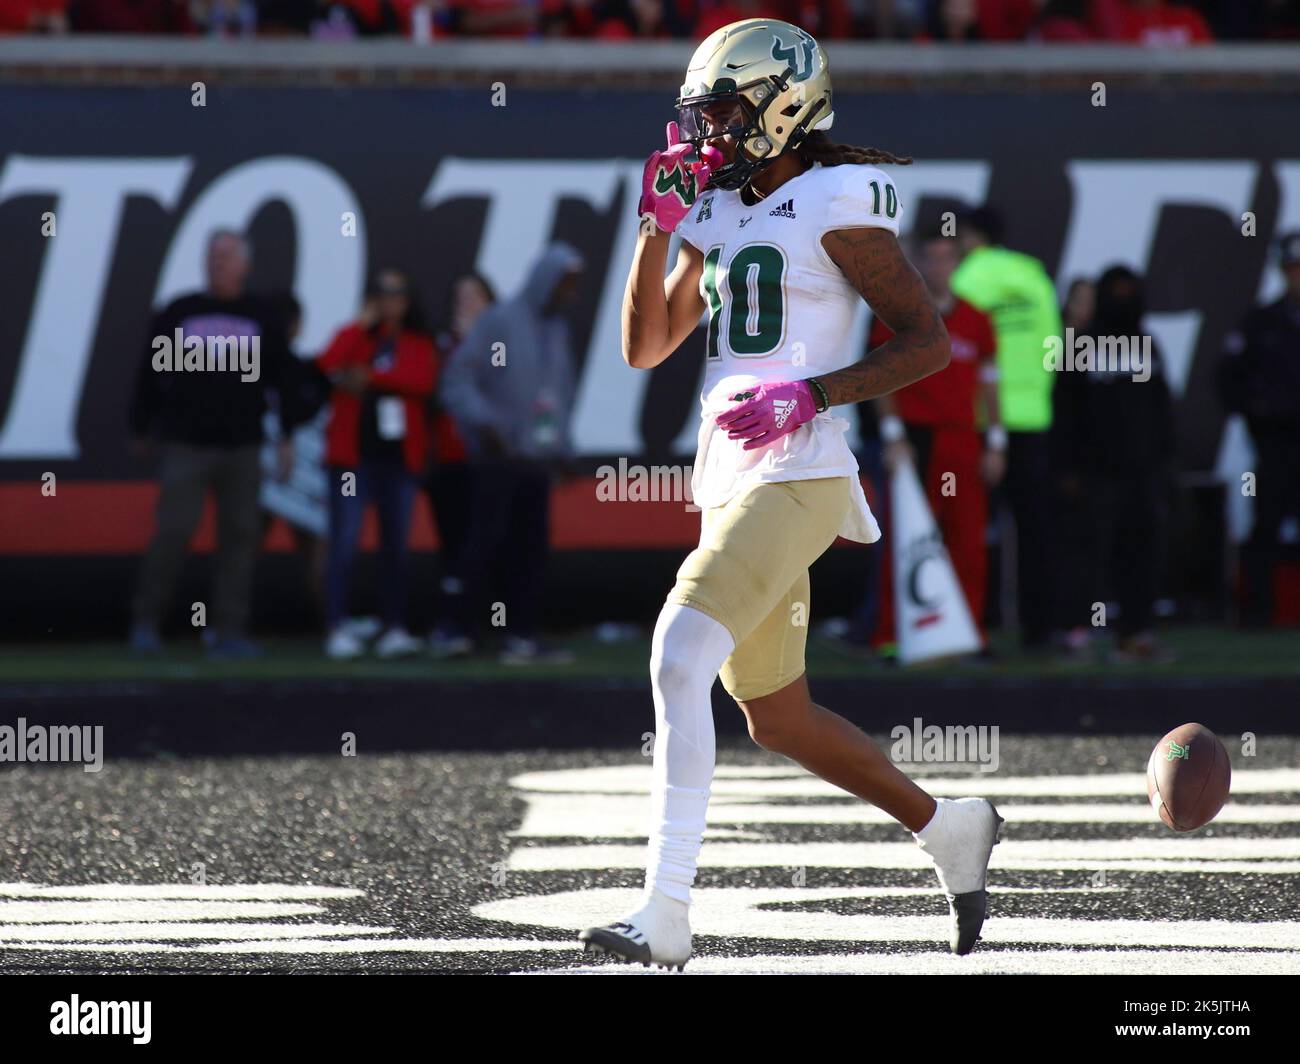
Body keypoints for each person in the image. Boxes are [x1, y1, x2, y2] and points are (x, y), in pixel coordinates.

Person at [578, 18, 1002, 970]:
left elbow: (924, 342)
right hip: (733, 477)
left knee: (679, 653)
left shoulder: (836, 199)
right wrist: (655, 229)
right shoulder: (719, 206)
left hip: (803, 465)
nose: (708, 134)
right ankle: (947, 824)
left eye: (725, 113)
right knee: (776, 715)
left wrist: (810, 392)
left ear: (781, 106)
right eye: (702, 116)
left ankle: (668, 909)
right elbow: (645, 346)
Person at [128, 229, 297, 658]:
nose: (218, 263)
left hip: (243, 444)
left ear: (246, 264)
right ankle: (146, 622)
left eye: (227, 256)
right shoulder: (181, 312)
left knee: (239, 538)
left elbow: (284, 380)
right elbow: (150, 374)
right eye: (213, 255)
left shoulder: (261, 317)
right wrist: (142, 426)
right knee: (173, 530)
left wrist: (287, 437)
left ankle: (229, 630)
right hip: (186, 442)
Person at [438, 244, 584, 664]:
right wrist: (486, 424)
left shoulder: (556, 330)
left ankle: (518, 635)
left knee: (530, 550)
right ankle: (456, 630)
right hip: (494, 458)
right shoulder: (499, 321)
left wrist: (562, 445)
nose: (570, 295)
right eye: (565, 285)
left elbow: (559, 393)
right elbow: (457, 380)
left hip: (534, 461)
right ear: (546, 281)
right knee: (482, 545)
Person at [870, 229, 1004, 647]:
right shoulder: (898, 314)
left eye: (947, 258)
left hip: (963, 442)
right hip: (916, 441)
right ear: (918, 263)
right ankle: (893, 635)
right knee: (908, 539)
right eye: (931, 258)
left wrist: (997, 442)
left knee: (968, 540)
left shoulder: (976, 319)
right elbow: (879, 378)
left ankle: (969, 635)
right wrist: (893, 436)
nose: (939, 267)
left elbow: (990, 383)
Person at [951, 204, 1062, 651]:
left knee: (971, 530)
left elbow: (957, 348)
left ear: (972, 237)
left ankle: (977, 626)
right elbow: (1054, 344)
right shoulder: (1033, 275)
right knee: (1036, 531)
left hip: (983, 421)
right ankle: (1041, 631)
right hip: (1033, 417)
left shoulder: (966, 278)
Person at [1052, 265, 1175, 661]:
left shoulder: (1148, 346)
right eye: (1116, 292)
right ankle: (1077, 632)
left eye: (1130, 292)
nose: (1123, 300)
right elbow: (1063, 411)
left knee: (1140, 553)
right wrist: (1066, 469)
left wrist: (1164, 465)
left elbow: (1162, 411)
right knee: (1085, 554)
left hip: (1141, 475)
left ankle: (1135, 634)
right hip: (1092, 475)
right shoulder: (1080, 346)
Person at [317, 268, 436, 659]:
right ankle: (336, 626)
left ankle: (394, 626)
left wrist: (370, 376)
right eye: (382, 294)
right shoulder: (355, 337)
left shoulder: (416, 341)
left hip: (398, 461)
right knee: (345, 542)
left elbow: (421, 379)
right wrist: (359, 327)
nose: (390, 301)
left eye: (397, 293)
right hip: (353, 459)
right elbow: (327, 364)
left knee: (395, 546)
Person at [1218, 231, 1300, 627]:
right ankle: (1257, 612)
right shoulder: (1261, 322)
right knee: (1265, 525)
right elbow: (1228, 379)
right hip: (1276, 443)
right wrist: (1260, 412)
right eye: (1293, 269)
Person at [426, 272, 495, 658]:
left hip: (491, 461)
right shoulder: (442, 346)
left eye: (475, 295)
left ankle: (485, 625)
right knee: (455, 548)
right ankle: (454, 626)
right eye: (461, 296)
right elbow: (434, 392)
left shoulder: (501, 342)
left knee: (486, 544)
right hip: (450, 461)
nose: (467, 303)